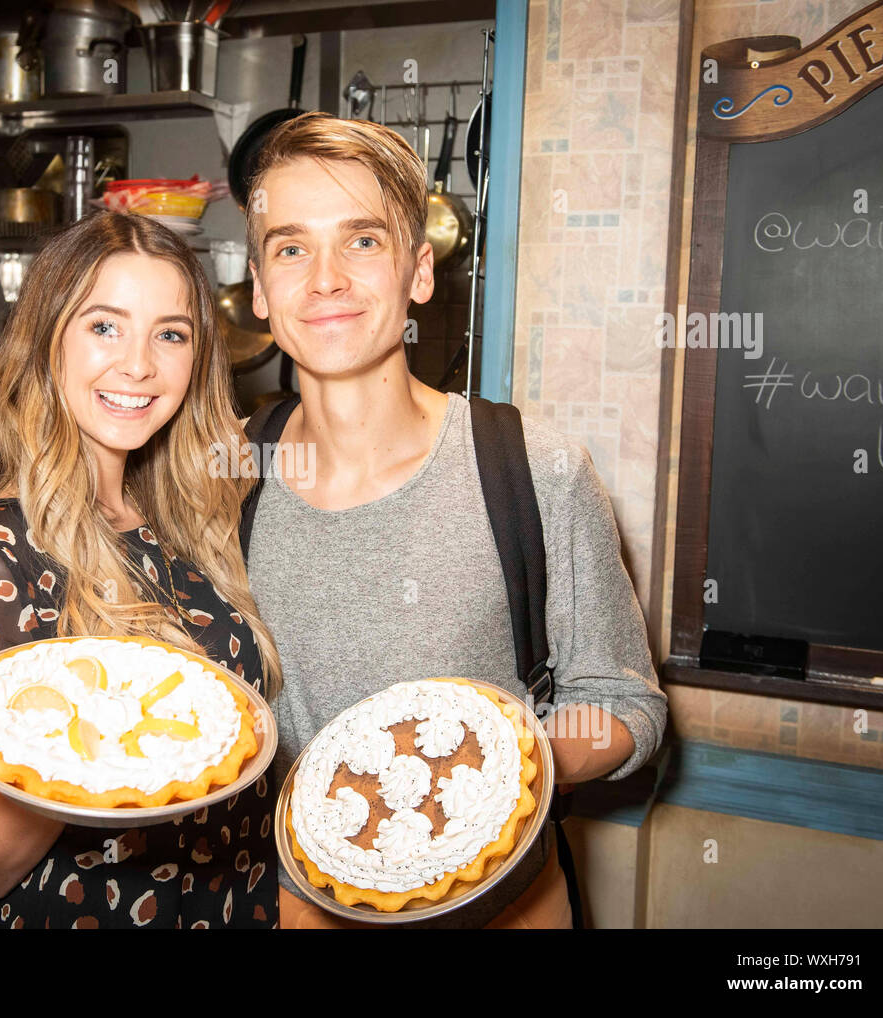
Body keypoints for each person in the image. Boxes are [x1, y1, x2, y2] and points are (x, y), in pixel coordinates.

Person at [237, 113, 668, 929]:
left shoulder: (530, 468)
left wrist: (508, 765)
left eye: (362, 241)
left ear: (419, 272)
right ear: (260, 287)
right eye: (291, 247)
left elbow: (626, 704)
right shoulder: (220, 478)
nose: (325, 277)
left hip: (503, 911)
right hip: (300, 914)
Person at [0, 211, 282, 929]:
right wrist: (87, 739)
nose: (139, 364)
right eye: (104, 326)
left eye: (170, 334)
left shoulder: (189, 522)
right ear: (48, 340)